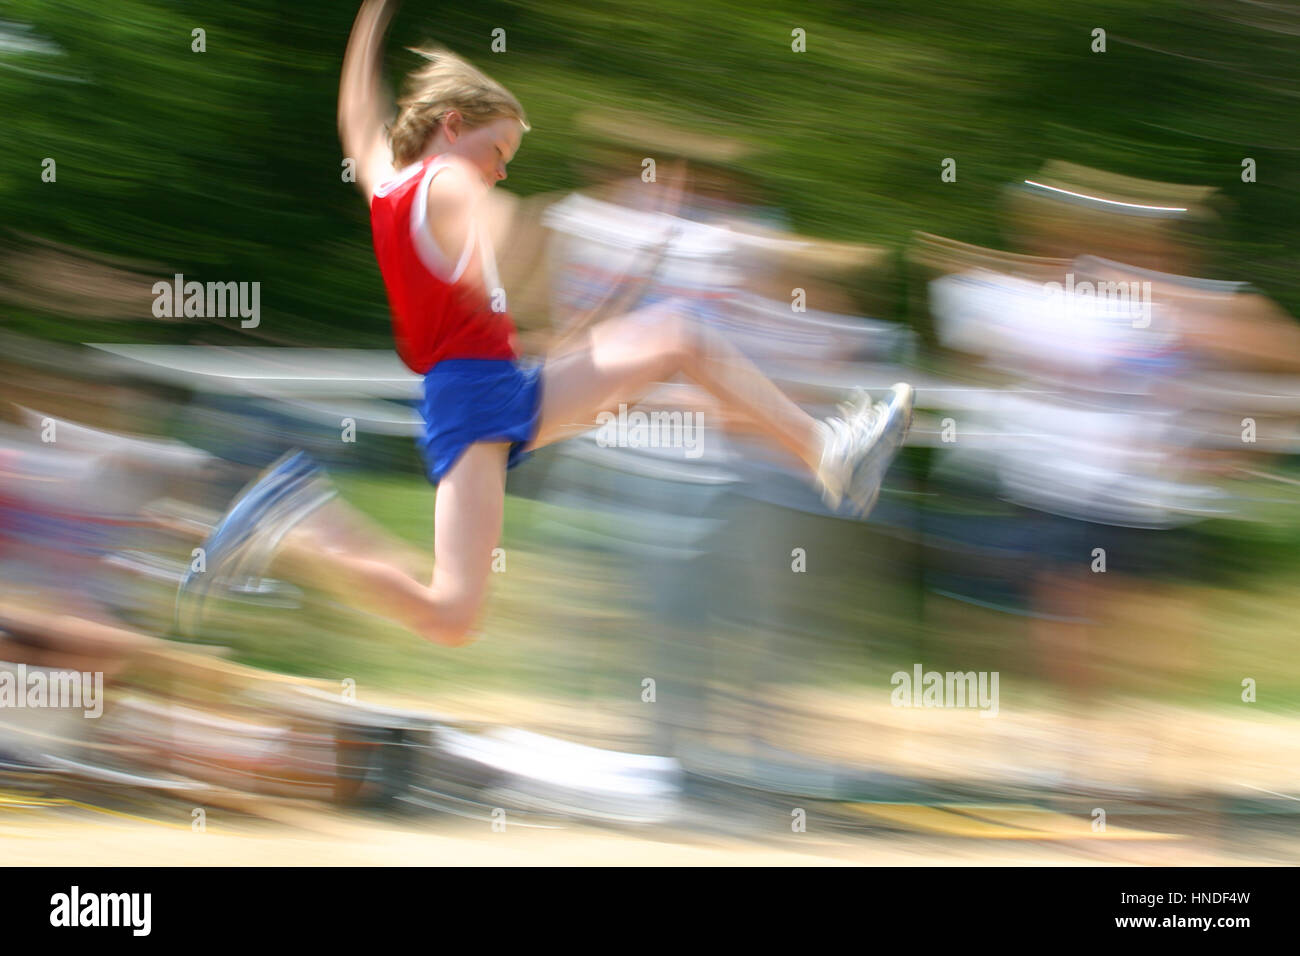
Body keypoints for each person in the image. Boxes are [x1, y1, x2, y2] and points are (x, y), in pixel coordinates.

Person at [177, 0, 913, 648]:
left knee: (676, 343)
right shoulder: (448, 179)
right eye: (498, 152)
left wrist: (371, 16)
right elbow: (498, 229)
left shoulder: (386, 181)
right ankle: (300, 520)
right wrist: (560, 239)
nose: (499, 169)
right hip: (479, 396)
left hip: (480, 390)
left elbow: (357, 119)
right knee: (454, 612)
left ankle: (826, 451)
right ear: (453, 125)